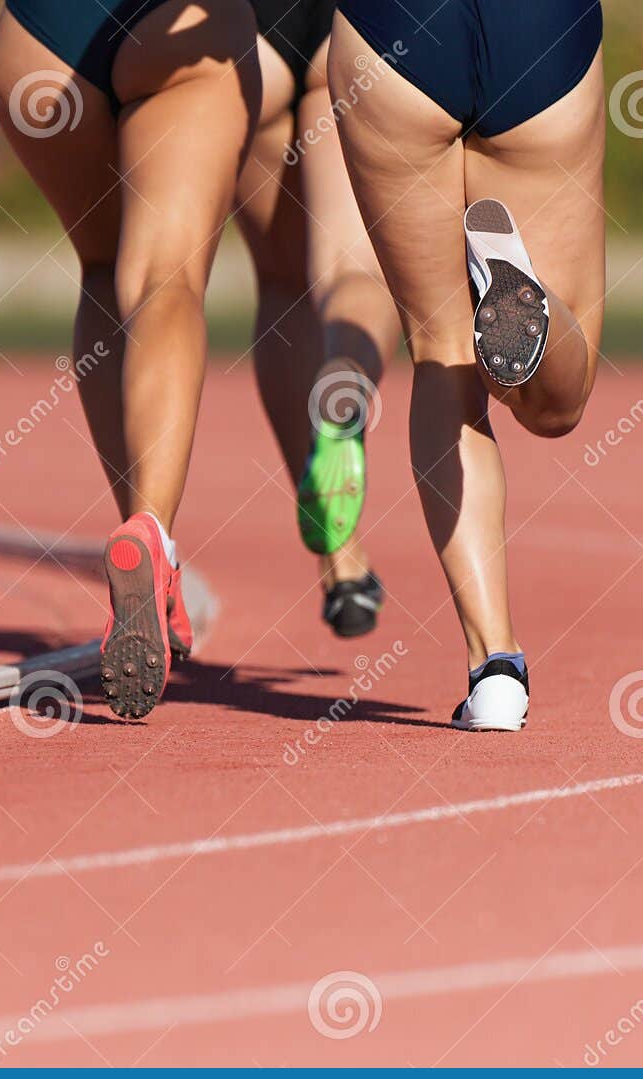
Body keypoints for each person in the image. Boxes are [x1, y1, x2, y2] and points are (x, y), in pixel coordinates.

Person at [327, 0, 606, 729]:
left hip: (396, 33)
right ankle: (527, 295)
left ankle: (496, 672)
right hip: (538, 28)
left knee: (441, 351)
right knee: (556, 410)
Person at [0, 1, 261, 719]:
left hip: (44, 38)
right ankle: (151, 531)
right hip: (183, 32)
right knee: (164, 279)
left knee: (105, 269)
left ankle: (145, 552)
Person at [232, 0, 403, 638]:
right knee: (352, 270)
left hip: (250, 35)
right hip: (352, 27)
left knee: (281, 285)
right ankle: (343, 389)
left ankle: (342, 563)